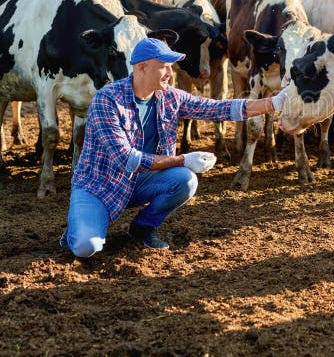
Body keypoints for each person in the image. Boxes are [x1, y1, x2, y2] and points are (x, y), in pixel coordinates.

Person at [59, 37, 288, 257]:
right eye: (164, 66)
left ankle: (143, 227)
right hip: (100, 185)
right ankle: (77, 229)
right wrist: (183, 160)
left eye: (171, 66)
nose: (171, 72)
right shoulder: (107, 100)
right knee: (85, 248)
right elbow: (126, 160)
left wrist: (272, 103)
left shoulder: (170, 96)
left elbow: (217, 108)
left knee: (185, 180)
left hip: (140, 180)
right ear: (141, 67)